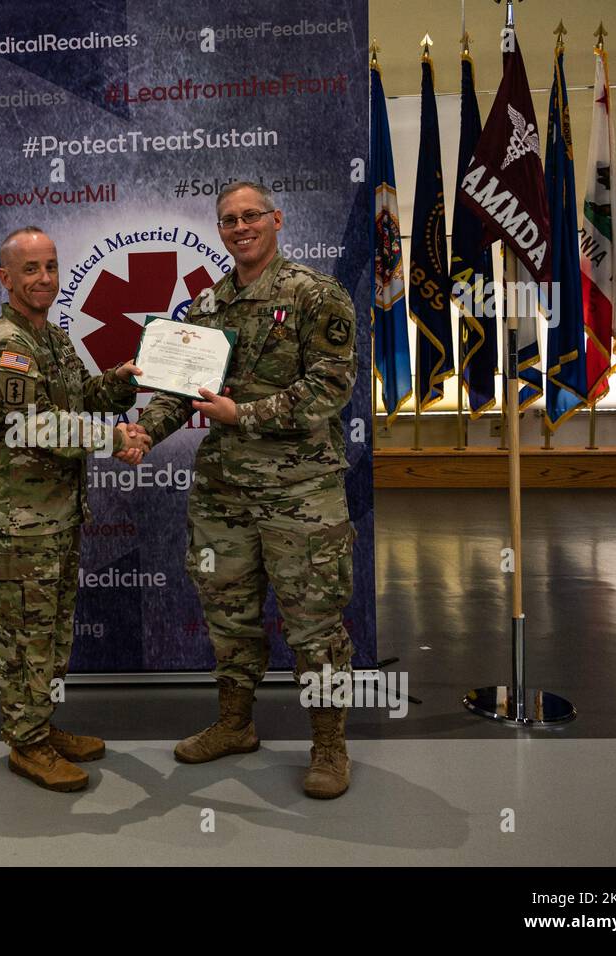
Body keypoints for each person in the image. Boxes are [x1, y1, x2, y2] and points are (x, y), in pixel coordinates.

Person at [124, 182, 358, 798]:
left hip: (301, 493)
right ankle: (235, 723)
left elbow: (329, 390)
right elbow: (181, 392)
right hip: (224, 495)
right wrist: (145, 435)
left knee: (314, 626)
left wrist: (242, 417)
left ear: (277, 220)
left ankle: (329, 745)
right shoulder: (206, 307)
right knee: (228, 616)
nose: (240, 227)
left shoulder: (317, 296)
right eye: (228, 220)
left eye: (251, 216)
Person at [0, 225, 147, 792]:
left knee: (51, 633)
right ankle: (25, 744)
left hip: (59, 516)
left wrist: (117, 385)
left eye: (50, 266)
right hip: (22, 523)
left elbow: (76, 400)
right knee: (27, 636)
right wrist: (113, 436)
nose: (44, 277)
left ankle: (40, 727)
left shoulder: (52, 337)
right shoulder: (7, 345)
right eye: (30, 269)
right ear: (5, 277)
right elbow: (36, 425)